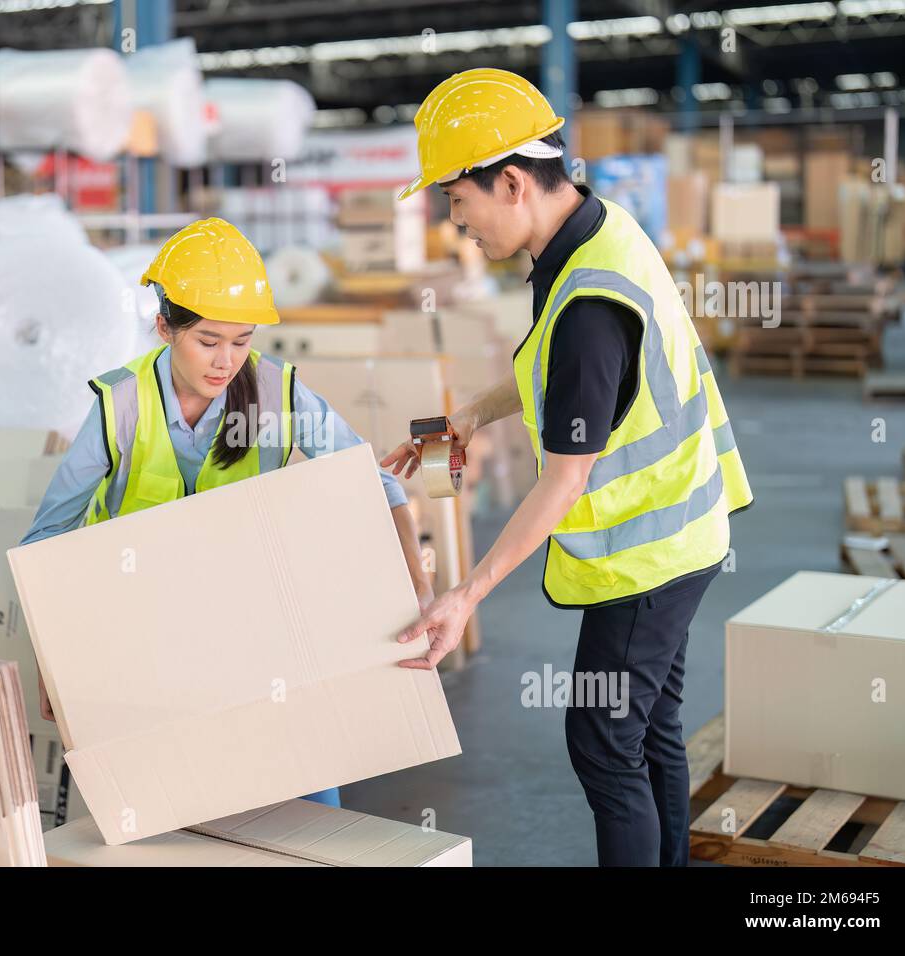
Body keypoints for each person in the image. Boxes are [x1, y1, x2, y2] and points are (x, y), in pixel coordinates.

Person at [381, 69, 753, 865]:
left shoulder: (589, 303)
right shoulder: (593, 228)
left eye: (458, 201)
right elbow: (554, 372)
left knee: (603, 739)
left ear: (511, 183)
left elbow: (566, 476)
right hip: (685, 527)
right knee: (647, 728)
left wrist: (465, 594)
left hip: (650, 555)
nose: (458, 224)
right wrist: (467, 416)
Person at [23, 217, 434, 808]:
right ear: (164, 327)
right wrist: (54, 658)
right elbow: (49, 536)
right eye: (208, 341)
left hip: (249, 614)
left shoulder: (277, 392)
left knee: (307, 785)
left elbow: (380, 488)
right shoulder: (120, 403)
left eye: (242, 341)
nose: (226, 361)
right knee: (167, 803)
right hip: (142, 625)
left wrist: (418, 595)